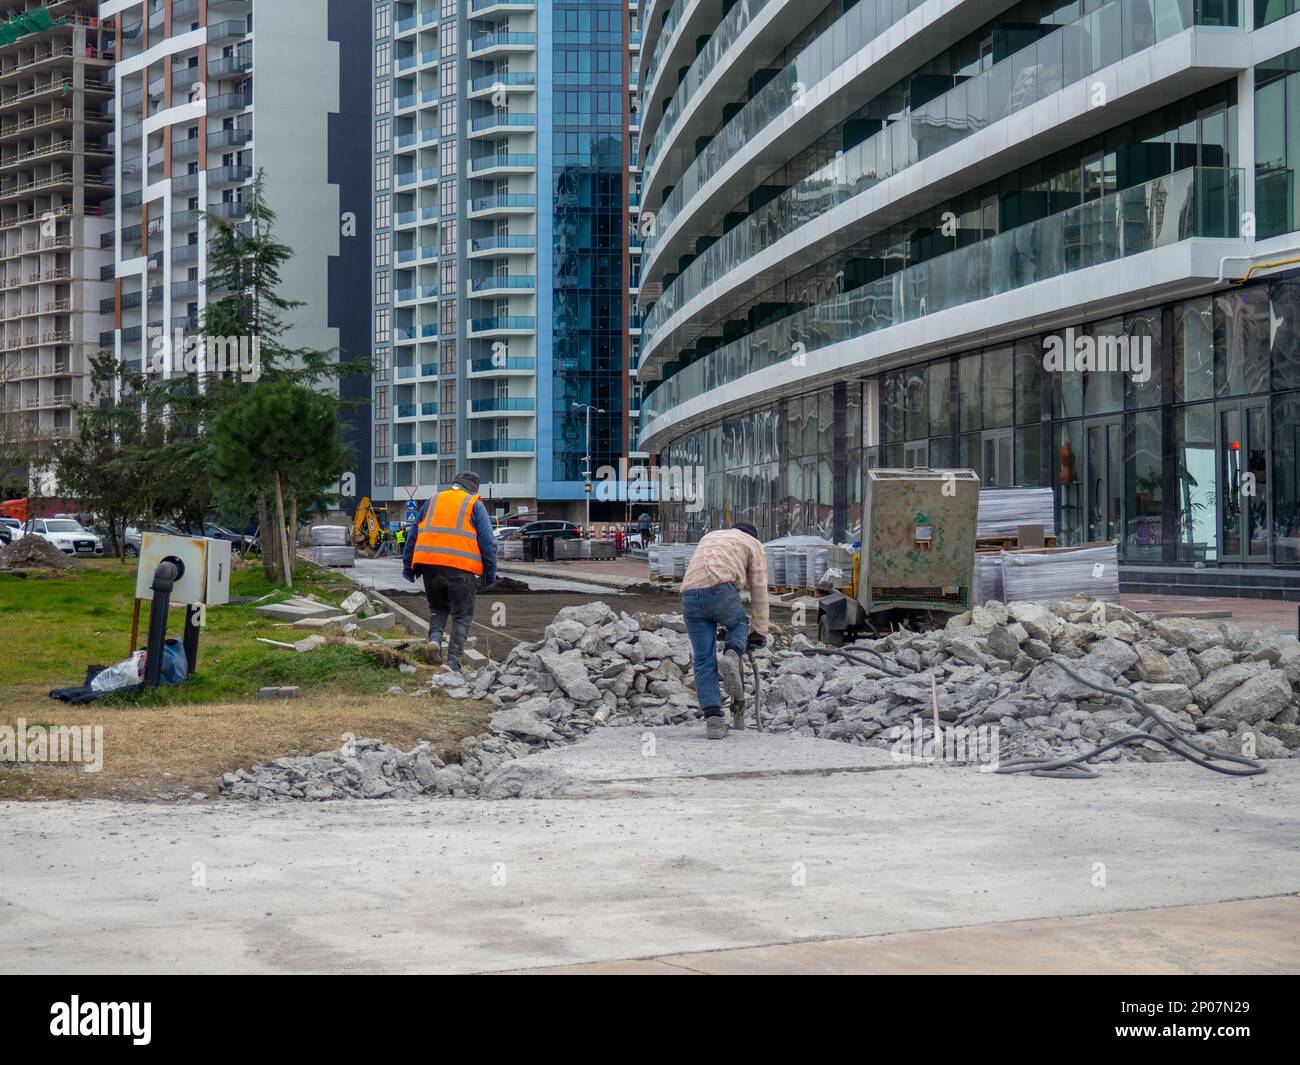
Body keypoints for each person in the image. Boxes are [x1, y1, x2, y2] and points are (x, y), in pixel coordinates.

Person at [679, 522, 769, 739]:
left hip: (689, 594)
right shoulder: (753, 544)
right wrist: (759, 631)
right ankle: (732, 653)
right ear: (753, 535)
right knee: (738, 623)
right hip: (720, 589)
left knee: (703, 659)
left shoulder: (711, 536)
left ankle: (714, 722)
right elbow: (759, 589)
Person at [402, 471, 498, 672]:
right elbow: (488, 543)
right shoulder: (474, 504)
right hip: (459, 568)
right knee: (462, 615)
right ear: (473, 488)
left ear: (454, 483)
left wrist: (408, 566)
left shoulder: (432, 500)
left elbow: (413, 533)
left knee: (438, 607)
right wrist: (490, 575)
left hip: (428, 566)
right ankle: (453, 662)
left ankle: (435, 639)